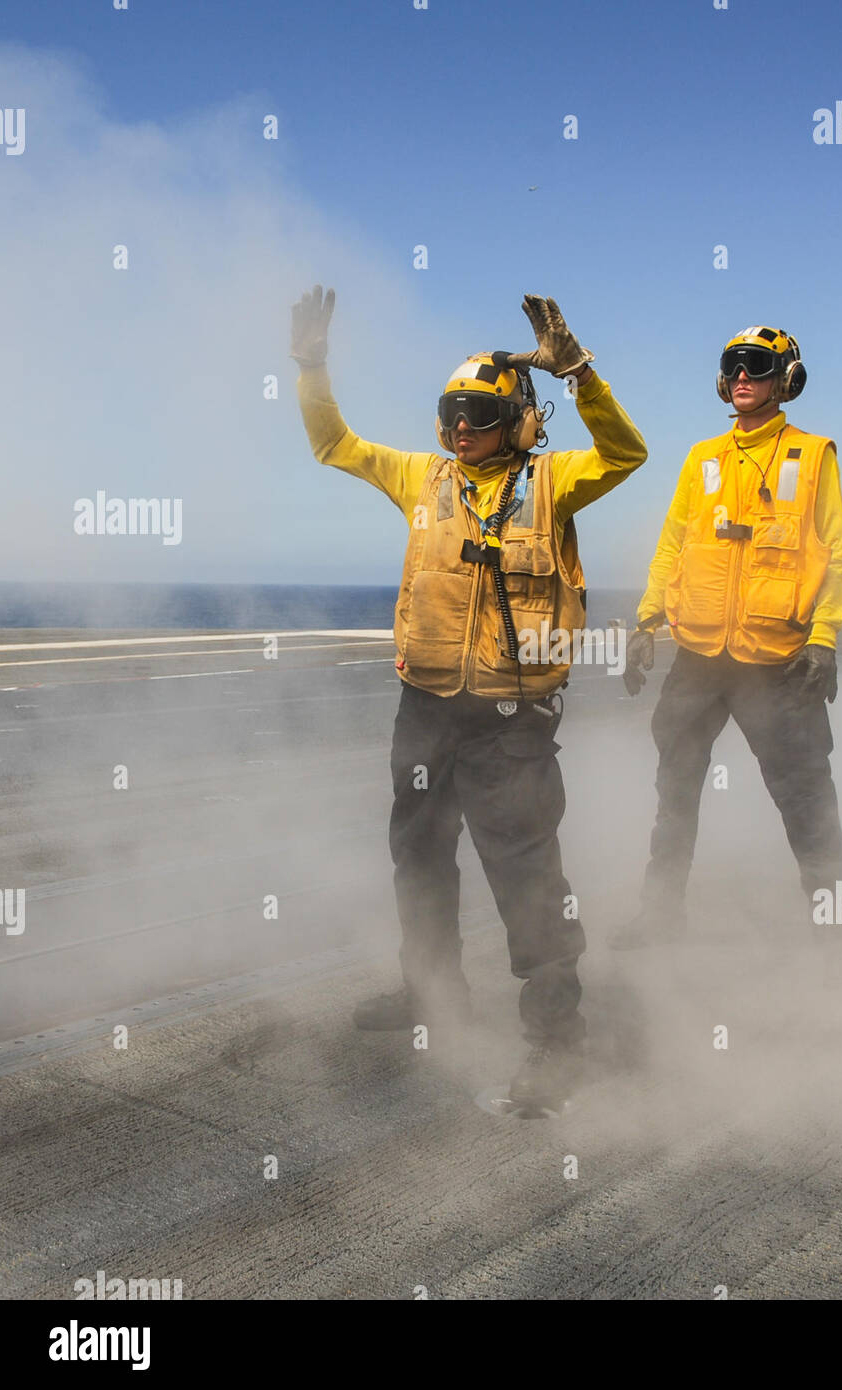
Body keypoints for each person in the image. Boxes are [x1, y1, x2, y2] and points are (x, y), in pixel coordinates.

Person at [291, 288, 647, 1107]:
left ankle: (558, 1043)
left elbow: (626, 453)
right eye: (451, 413)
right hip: (425, 710)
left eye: (481, 415)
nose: (460, 429)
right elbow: (332, 444)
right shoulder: (423, 478)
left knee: (526, 875)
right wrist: (310, 366)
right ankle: (429, 993)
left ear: (522, 420)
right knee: (416, 857)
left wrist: (580, 372)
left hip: (510, 723)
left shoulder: (557, 482)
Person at [612, 326, 842, 949]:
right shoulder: (703, 459)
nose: (743, 376)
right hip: (698, 659)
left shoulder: (813, 454)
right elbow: (672, 548)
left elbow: (838, 558)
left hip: (778, 662)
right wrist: (646, 620)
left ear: (787, 379)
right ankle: (660, 917)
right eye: (734, 366)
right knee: (675, 795)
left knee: (807, 804)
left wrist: (823, 637)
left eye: (758, 366)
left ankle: (837, 935)